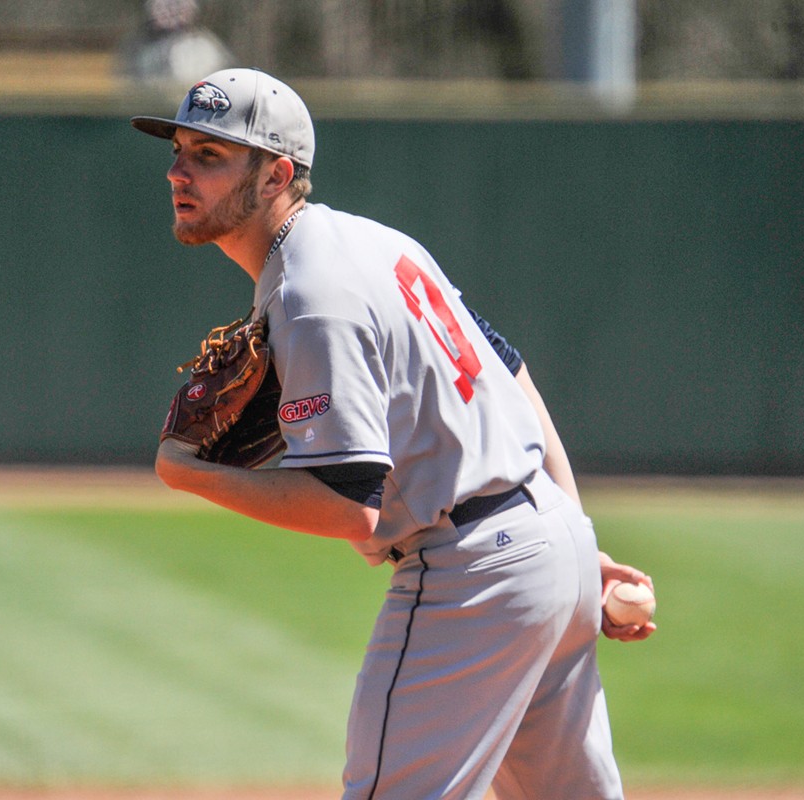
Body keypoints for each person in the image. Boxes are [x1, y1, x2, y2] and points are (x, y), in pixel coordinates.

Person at [134, 67, 656, 800]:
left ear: (277, 173)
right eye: (180, 149)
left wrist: (186, 471)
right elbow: (509, 371)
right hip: (545, 546)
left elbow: (351, 507)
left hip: (475, 579)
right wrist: (574, 533)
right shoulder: (371, 240)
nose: (178, 172)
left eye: (210, 156)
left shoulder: (309, 295)